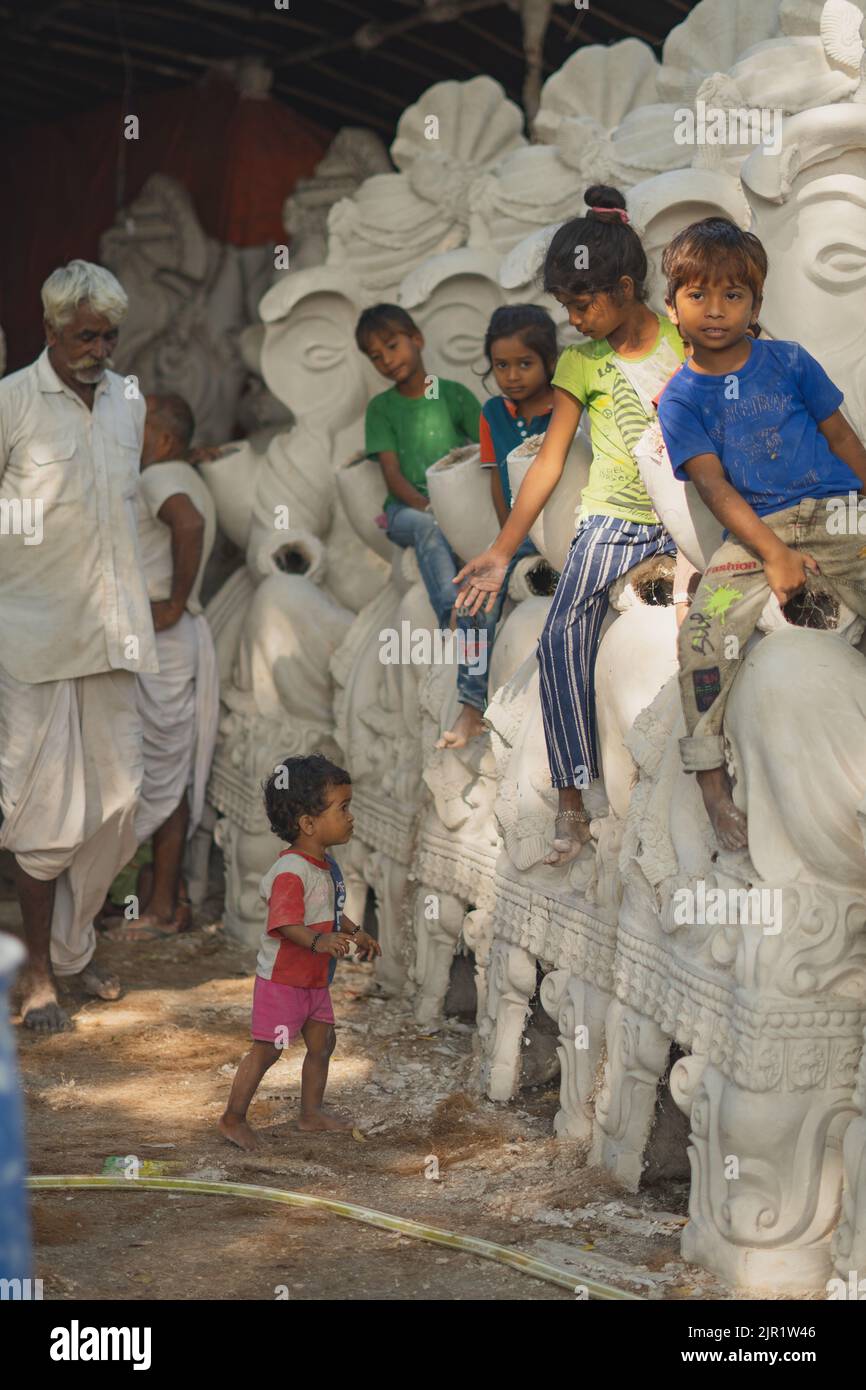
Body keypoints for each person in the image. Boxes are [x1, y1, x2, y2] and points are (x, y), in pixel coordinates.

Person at [453, 186, 684, 863]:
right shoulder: (580, 366)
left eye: (583, 304)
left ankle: (705, 775)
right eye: (567, 307)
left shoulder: (683, 340)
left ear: (625, 286)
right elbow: (551, 460)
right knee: (560, 637)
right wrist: (501, 549)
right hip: (614, 519)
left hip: (688, 515)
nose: (575, 319)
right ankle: (573, 797)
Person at [656, 216, 866, 851]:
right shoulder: (681, 399)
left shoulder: (791, 362)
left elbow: (842, 437)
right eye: (698, 295)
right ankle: (711, 779)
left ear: (756, 304)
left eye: (732, 295)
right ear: (672, 307)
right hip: (754, 534)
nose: (715, 311)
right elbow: (715, 489)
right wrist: (772, 553)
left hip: (840, 513)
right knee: (702, 633)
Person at [0, 259, 157, 1031]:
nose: (99, 347)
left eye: (108, 334)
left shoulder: (128, 398)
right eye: (84, 334)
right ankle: (36, 976)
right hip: (32, 636)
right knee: (38, 813)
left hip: (116, 630)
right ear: (51, 331)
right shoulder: (10, 403)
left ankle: (71, 946)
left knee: (124, 801)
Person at [219, 754, 381, 1151]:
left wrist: (356, 933)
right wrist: (317, 942)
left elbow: (330, 912)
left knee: (323, 1043)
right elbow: (284, 922)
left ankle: (310, 1114)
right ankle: (232, 1118)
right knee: (268, 1050)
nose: (350, 817)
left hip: (313, 980)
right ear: (308, 824)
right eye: (342, 808)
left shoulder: (323, 864)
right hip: (284, 981)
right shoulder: (292, 870)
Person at [104, 393, 219, 941]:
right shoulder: (178, 471)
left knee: (160, 781)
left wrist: (172, 603)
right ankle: (155, 898)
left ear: (167, 439)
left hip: (164, 640)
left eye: (142, 426)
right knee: (163, 778)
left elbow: (188, 525)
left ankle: (162, 906)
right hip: (169, 642)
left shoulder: (160, 478)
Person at [438, 304, 555, 748]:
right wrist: (507, 540)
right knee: (472, 603)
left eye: (524, 363)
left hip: (562, 528)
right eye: (501, 365)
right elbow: (496, 481)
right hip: (516, 535)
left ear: (548, 360)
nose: (512, 375)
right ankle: (470, 706)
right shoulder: (493, 413)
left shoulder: (563, 406)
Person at [358, 303, 480, 630]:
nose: (386, 360)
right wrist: (429, 508)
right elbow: (392, 476)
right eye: (375, 356)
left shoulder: (453, 395)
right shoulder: (381, 409)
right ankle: (453, 615)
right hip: (406, 510)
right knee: (428, 527)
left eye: (392, 346)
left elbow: (487, 449)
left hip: (457, 501)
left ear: (418, 339)